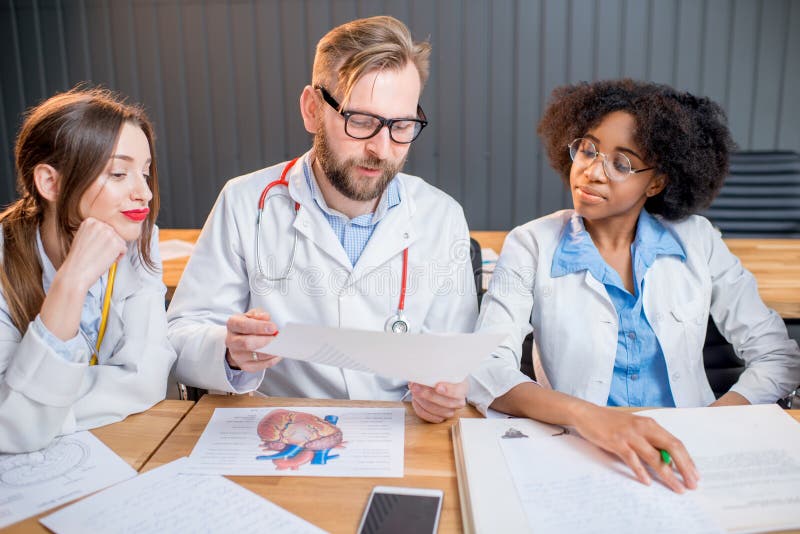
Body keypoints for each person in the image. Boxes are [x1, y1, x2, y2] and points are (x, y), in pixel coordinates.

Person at [468, 79, 800, 492]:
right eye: (587, 149)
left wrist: (712, 423)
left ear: (656, 182)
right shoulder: (531, 243)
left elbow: (778, 356)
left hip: (690, 457)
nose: (592, 172)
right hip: (580, 453)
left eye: (621, 163)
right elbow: (485, 369)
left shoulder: (697, 240)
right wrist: (589, 416)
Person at [167, 16, 477, 422]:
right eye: (362, 122)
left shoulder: (442, 216)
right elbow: (179, 337)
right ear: (313, 110)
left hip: (402, 430)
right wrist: (229, 351)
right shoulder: (246, 203)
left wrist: (448, 391)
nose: (382, 149)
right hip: (280, 429)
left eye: (401, 126)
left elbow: (456, 357)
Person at [0, 88, 177, 452]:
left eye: (144, 173)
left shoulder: (140, 239)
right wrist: (72, 281)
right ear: (50, 182)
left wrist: (45, 413)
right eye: (118, 173)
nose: (144, 193)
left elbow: (147, 381)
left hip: (110, 452)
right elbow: (10, 427)